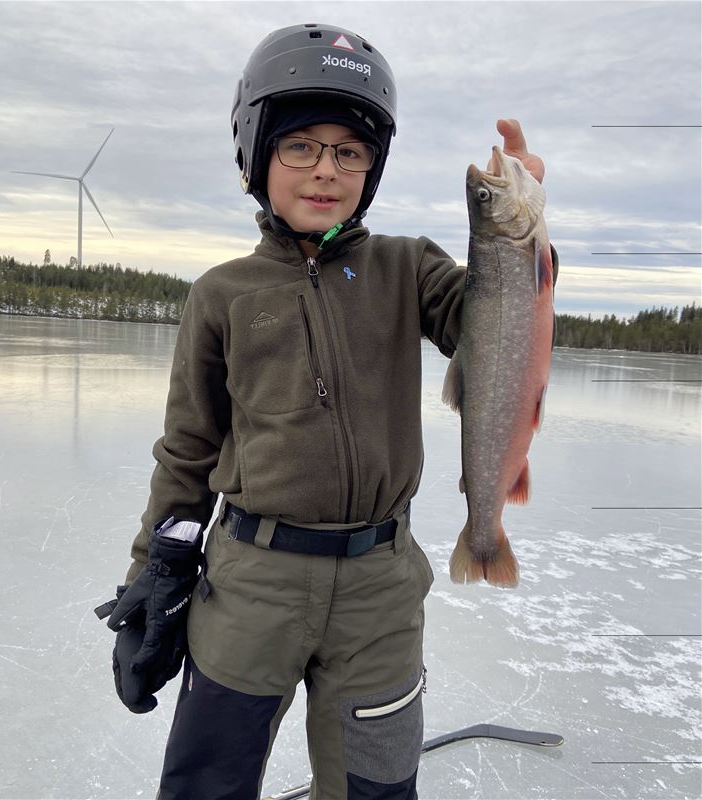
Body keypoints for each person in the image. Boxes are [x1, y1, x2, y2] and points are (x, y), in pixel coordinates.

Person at [96, 22, 556, 800]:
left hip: (379, 588)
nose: (325, 170)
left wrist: (519, 241)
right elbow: (187, 450)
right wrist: (158, 567)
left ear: (371, 169)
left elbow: (498, 332)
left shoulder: (409, 267)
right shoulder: (222, 295)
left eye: (350, 151)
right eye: (300, 146)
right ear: (256, 153)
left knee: (377, 786)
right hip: (250, 584)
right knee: (206, 780)